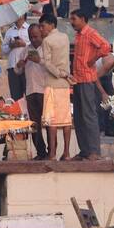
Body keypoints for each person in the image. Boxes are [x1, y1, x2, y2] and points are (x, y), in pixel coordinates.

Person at [70, 10, 111, 161]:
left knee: (89, 116)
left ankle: (94, 151)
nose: (71, 22)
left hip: (87, 79)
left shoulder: (90, 32)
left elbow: (105, 46)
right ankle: (84, 151)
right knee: (79, 117)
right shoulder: (79, 35)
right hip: (77, 80)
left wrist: (92, 59)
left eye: (74, 19)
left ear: (82, 18)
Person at [30, 13, 72, 160]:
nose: (41, 29)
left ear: (51, 25)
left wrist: (60, 73)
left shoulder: (47, 41)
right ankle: (66, 153)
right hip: (65, 84)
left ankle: (52, 153)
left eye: (42, 26)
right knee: (66, 120)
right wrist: (65, 74)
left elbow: (47, 63)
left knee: (52, 120)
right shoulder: (65, 37)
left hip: (53, 83)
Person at [20, 20, 50, 159]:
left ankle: (52, 152)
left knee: (49, 123)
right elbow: (17, 71)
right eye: (31, 36)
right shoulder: (25, 49)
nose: (33, 39)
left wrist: (39, 60)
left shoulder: (46, 48)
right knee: (34, 125)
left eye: (36, 36)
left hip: (44, 90)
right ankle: (40, 152)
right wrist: (19, 65)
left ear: (41, 35)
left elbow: (52, 67)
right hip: (31, 91)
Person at [3, 18, 29, 101]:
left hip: (27, 67)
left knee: (29, 95)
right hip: (12, 67)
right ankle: (18, 113)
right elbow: (3, 49)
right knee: (15, 96)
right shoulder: (9, 31)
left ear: (22, 15)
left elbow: (36, 45)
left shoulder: (29, 29)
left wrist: (24, 44)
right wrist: (11, 45)